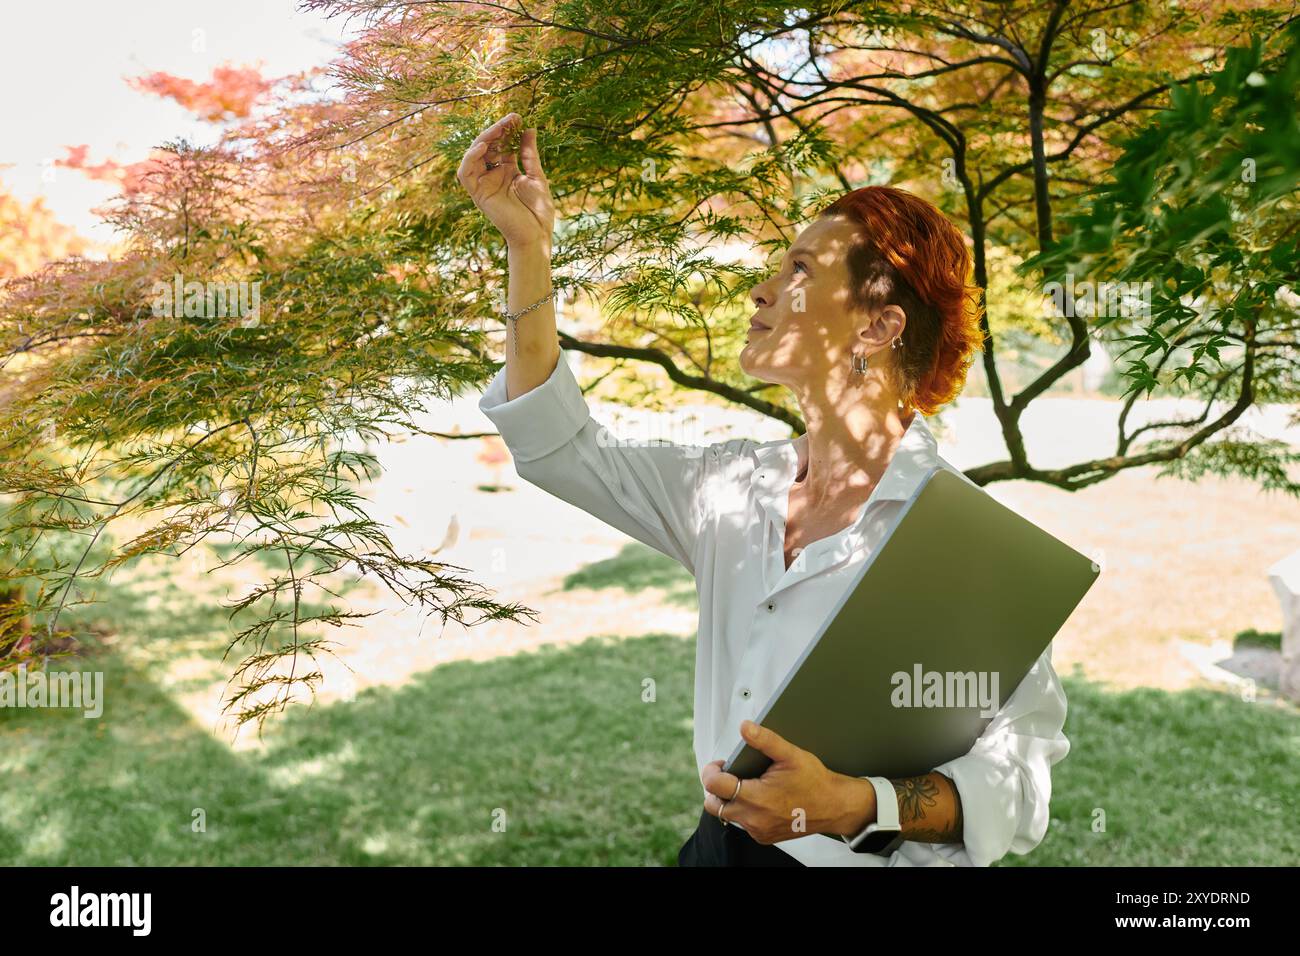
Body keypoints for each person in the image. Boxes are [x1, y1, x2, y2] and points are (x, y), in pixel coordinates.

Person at [458, 113, 1071, 867]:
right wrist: (529, 248)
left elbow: (1017, 783)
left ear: (877, 328)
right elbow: (559, 446)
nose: (760, 290)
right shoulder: (728, 488)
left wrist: (851, 803)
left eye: (801, 274)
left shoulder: (967, 547)